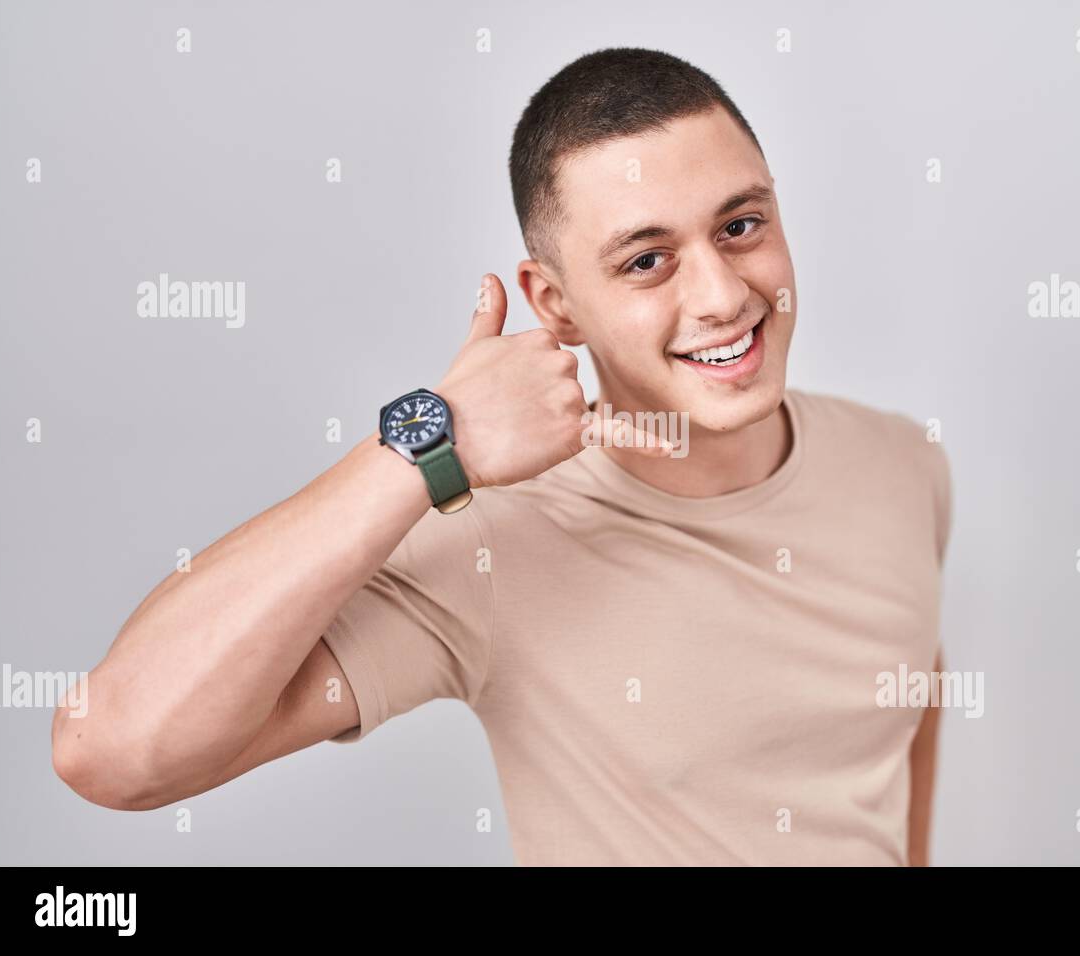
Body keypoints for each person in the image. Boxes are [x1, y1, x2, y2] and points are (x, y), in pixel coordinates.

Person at [52, 46, 952, 866]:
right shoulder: (490, 542)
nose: (721, 294)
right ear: (554, 305)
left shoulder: (905, 463)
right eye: (646, 261)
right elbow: (113, 753)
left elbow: (897, 719)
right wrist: (427, 443)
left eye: (741, 225)